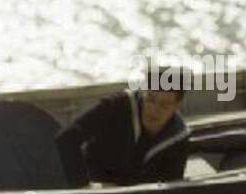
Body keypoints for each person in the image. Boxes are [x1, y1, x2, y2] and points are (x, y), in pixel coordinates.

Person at [55, 79, 190, 187]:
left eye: (164, 105)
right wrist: (83, 186)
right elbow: (67, 137)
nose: (154, 110)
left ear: (177, 107)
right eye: (150, 99)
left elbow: (171, 186)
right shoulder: (116, 106)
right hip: (93, 188)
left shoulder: (179, 136)